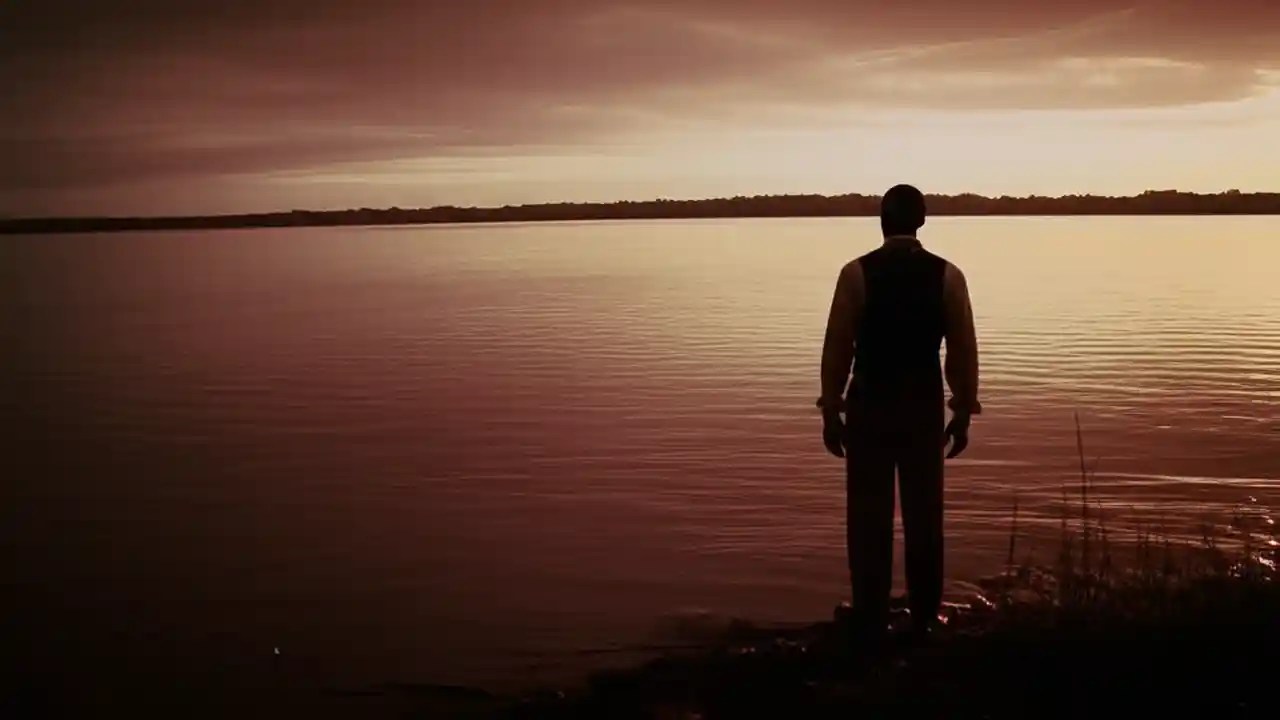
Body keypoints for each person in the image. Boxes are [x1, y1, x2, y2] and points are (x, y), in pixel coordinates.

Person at [818, 184, 981, 644]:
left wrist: (832, 409)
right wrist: (963, 408)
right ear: (922, 221)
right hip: (922, 407)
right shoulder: (948, 275)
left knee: (868, 516)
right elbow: (963, 350)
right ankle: (926, 614)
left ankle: (870, 613)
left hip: (870, 406)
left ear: (881, 220)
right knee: (924, 514)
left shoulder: (855, 274)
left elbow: (838, 348)